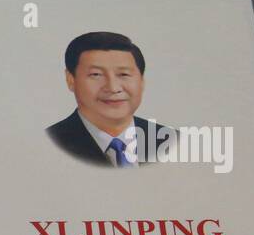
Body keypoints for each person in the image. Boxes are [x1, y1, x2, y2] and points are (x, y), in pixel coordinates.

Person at [46, 31, 173, 167]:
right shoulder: (50, 144)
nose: (113, 88)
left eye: (123, 74)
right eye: (96, 74)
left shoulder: (172, 141)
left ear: (141, 81)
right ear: (71, 80)